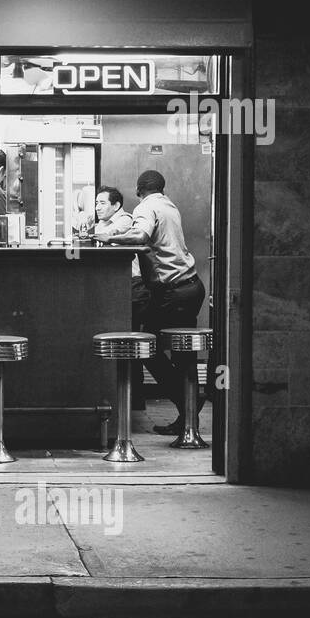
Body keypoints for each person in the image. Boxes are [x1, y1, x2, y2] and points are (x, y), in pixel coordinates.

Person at [105, 170, 206, 435]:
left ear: (139, 190)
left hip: (173, 291)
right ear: (162, 188)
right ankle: (188, 413)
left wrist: (108, 237)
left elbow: (139, 237)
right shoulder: (169, 205)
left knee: (146, 346)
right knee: (184, 355)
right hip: (192, 286)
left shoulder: (145, 207)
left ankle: (189, 404)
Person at [86, 185, 149, 329]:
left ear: (116, 206)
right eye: (96, 203)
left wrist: (90, 232)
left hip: (132, 285)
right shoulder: (101, 223)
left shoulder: (125, 220)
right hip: (116, 284)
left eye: (102, 203)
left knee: (129, 332)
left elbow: (108, 235)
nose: (97, 208)